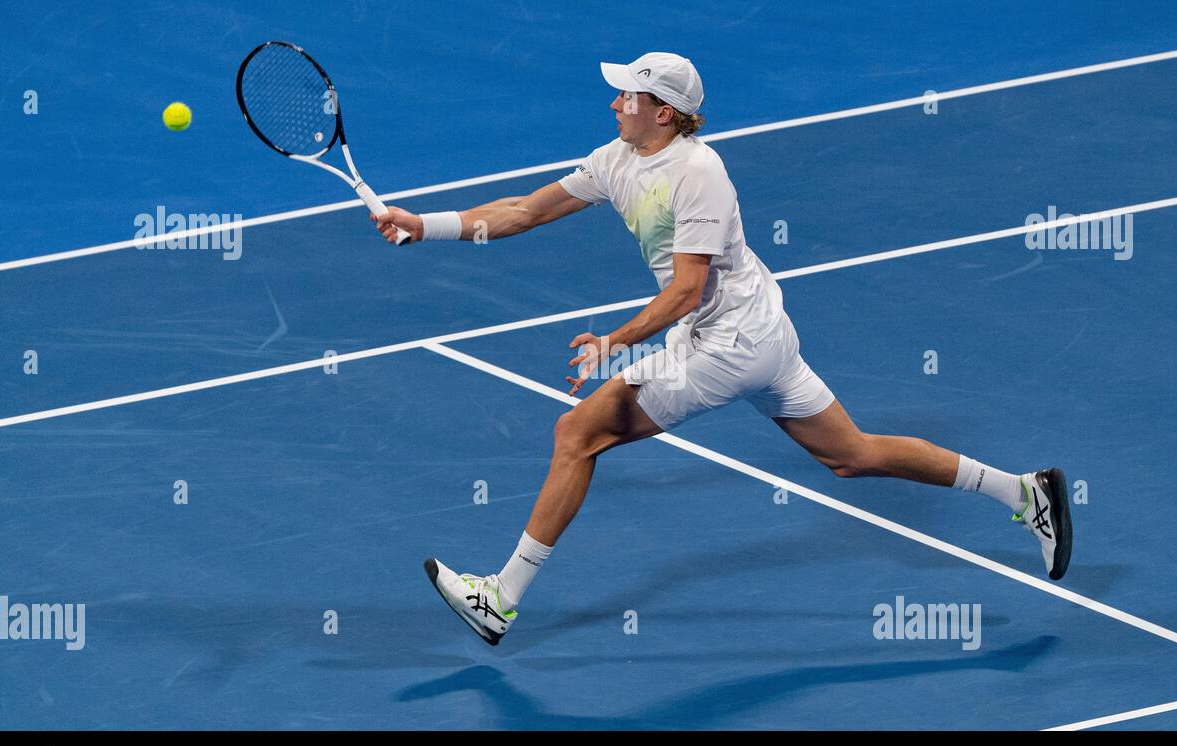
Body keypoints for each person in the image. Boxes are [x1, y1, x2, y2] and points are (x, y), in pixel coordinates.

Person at [374, 52, 1073, 646]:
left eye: (630, 95)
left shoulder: (697, 174)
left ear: (666, 114)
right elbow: (524, 210)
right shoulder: (615, 159)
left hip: (730, 343)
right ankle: (1023, 490)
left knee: (578, 431)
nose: (616, 101)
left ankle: (500, 597)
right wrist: (424, 224)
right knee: (850, 454)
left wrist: (615, 342)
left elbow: (685, 290)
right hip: (759, 330)